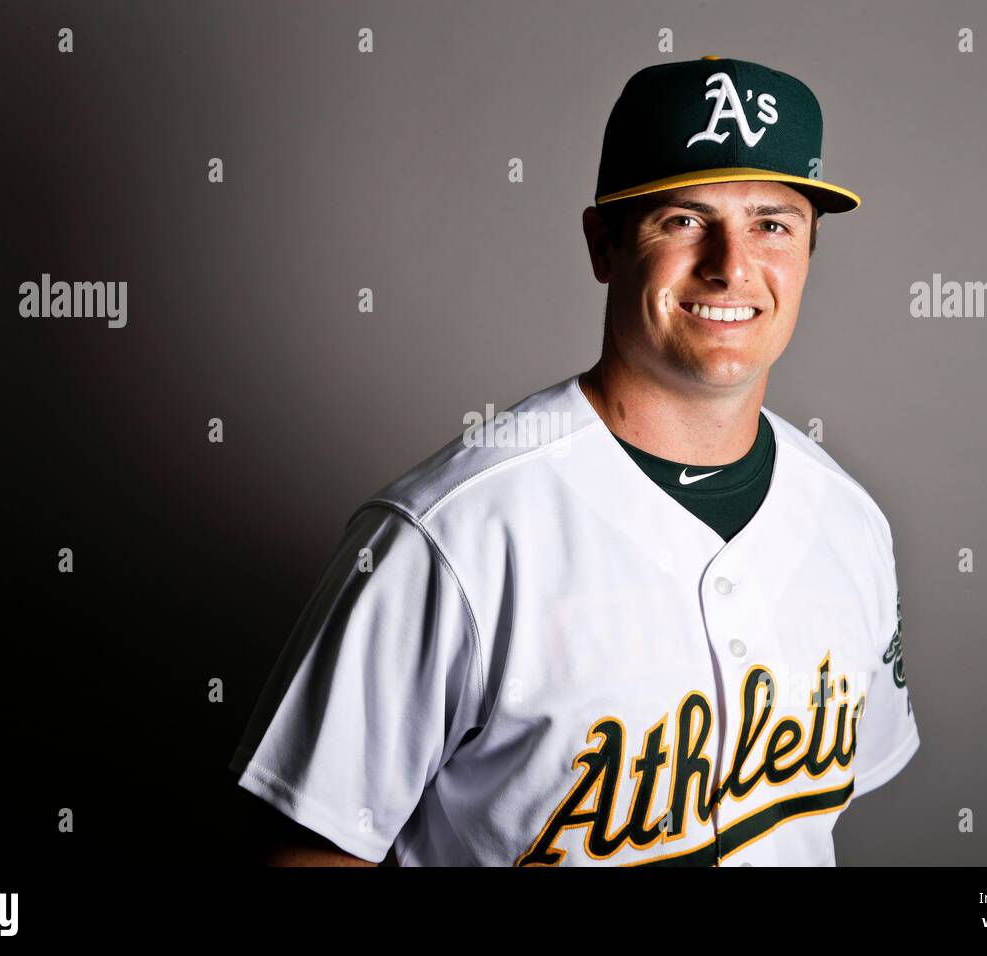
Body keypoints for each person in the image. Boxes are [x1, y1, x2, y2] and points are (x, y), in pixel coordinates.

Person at [229, 55, 918, 867]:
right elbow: (307, 853)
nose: (732, 264)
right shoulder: (448, 535)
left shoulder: (851, 523)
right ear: (604, 244)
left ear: (808, 251)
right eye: (684, 219)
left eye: (773, 222)